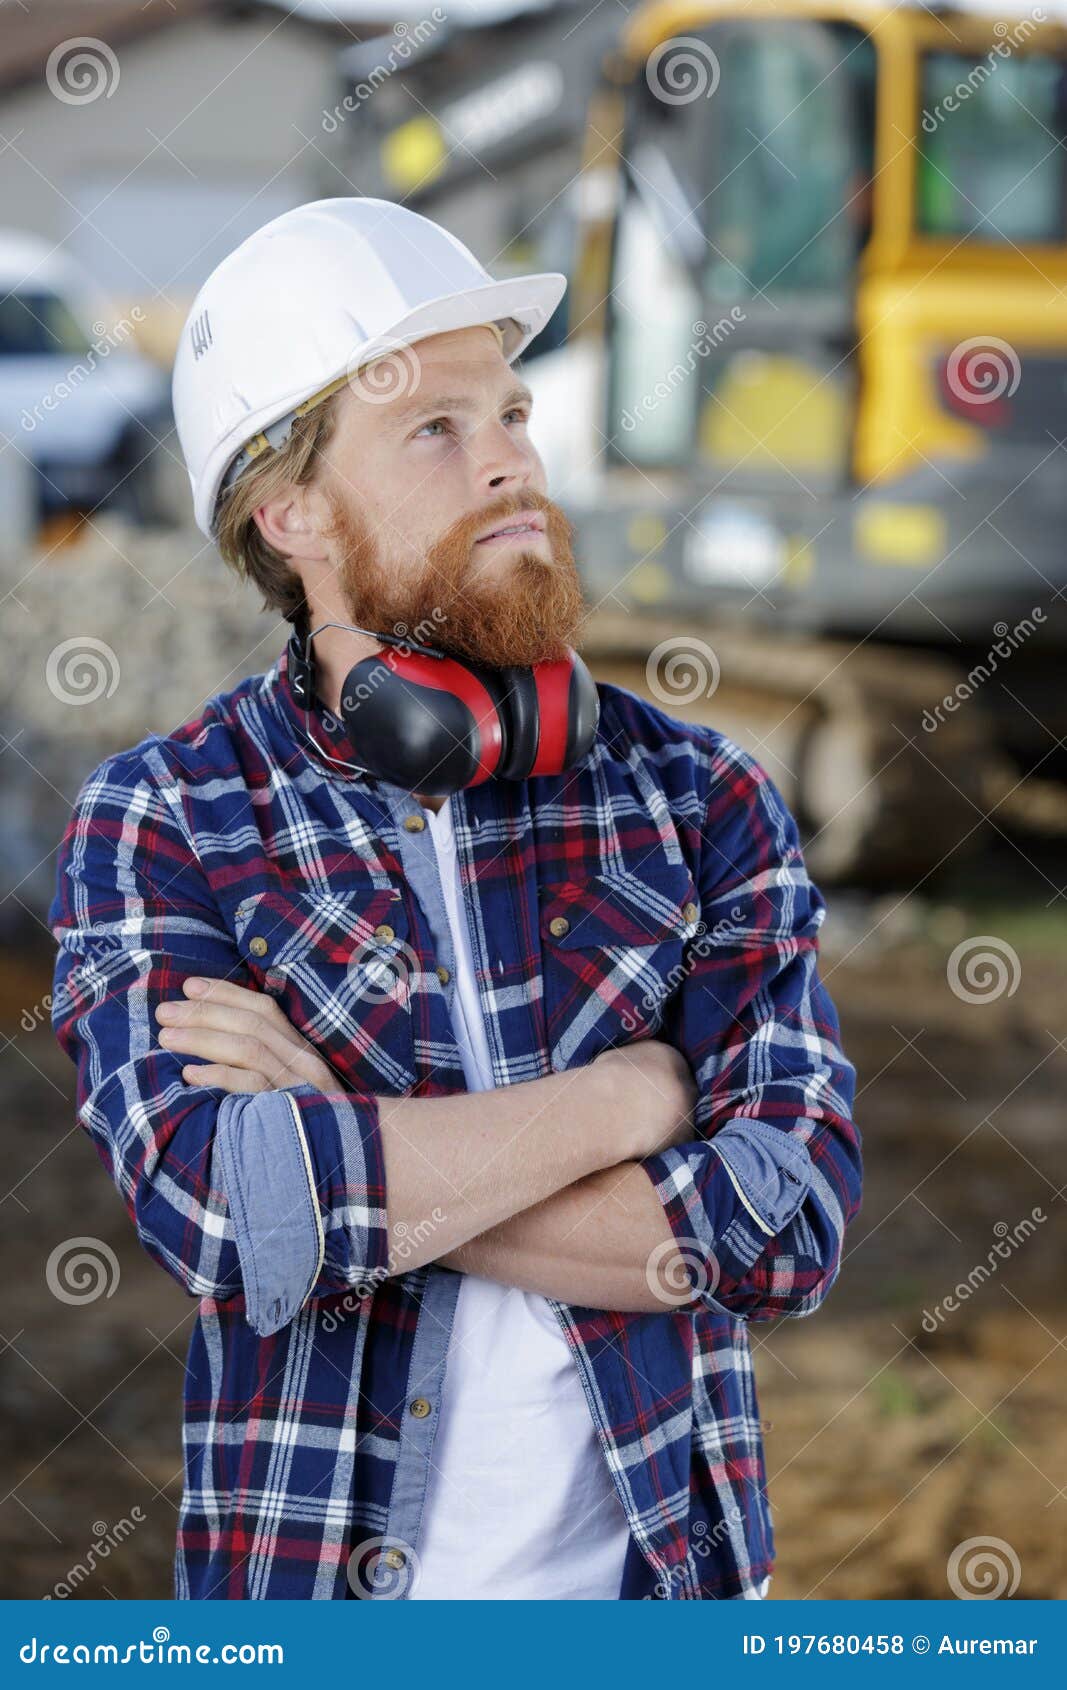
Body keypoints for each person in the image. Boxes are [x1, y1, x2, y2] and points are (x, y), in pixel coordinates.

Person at [48, 197, 862, 1601]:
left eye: (515, 413)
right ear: (289, 510)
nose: (513, 466)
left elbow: (777, 1234)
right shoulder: (165, 816)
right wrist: (627, 1105)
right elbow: (230, 1222)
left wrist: (344, 1156)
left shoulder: (701, 796)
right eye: (438, 428)